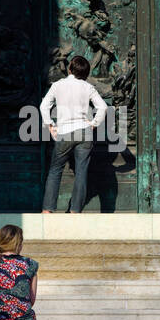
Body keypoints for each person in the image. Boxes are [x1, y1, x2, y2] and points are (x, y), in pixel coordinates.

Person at [40, 54, 108, 214]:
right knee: (81, 172)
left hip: (64, 132)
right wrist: (93, 124)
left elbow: (44, 106)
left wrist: (50, 125)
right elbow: (103, 107)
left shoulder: (58, 85)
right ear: (85, 73)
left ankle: (47, 211)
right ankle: (75, 211)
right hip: (84, 132)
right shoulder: (88, 87)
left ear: (70, 68)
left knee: (55, 170)